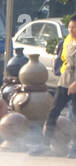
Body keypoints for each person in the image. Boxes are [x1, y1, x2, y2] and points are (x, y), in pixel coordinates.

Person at [31, 17, 76, 158]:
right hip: (65, 81)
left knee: (74, 116)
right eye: (70, 27)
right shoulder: (68, 41)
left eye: (74, 27)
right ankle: (45, 144)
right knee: (53, 112)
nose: (71, 30)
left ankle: (74, 148)